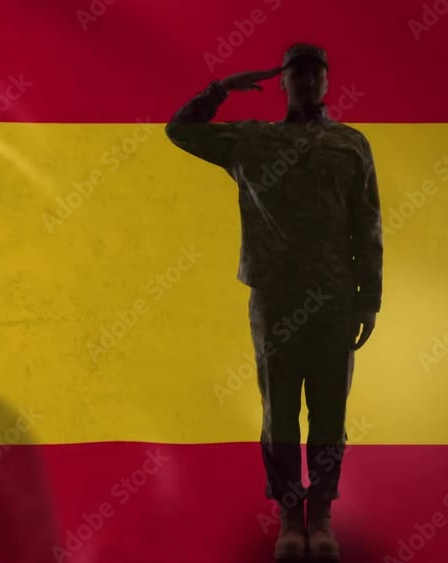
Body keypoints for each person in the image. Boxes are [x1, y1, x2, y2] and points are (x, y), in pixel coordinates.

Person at [164, 43, 383, 562]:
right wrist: (220, 90)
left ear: (327, 82)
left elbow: (367, 224)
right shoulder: (251, 141)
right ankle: (290, 518)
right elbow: (179, 130)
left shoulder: (351, 144)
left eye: (315, 73)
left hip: (333, 299)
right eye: (296, 73)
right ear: (281, 82)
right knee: (279, 413)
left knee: (329, 411)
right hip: (275, 300)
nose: (306, 82)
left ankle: (322, 515)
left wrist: (369, 298)